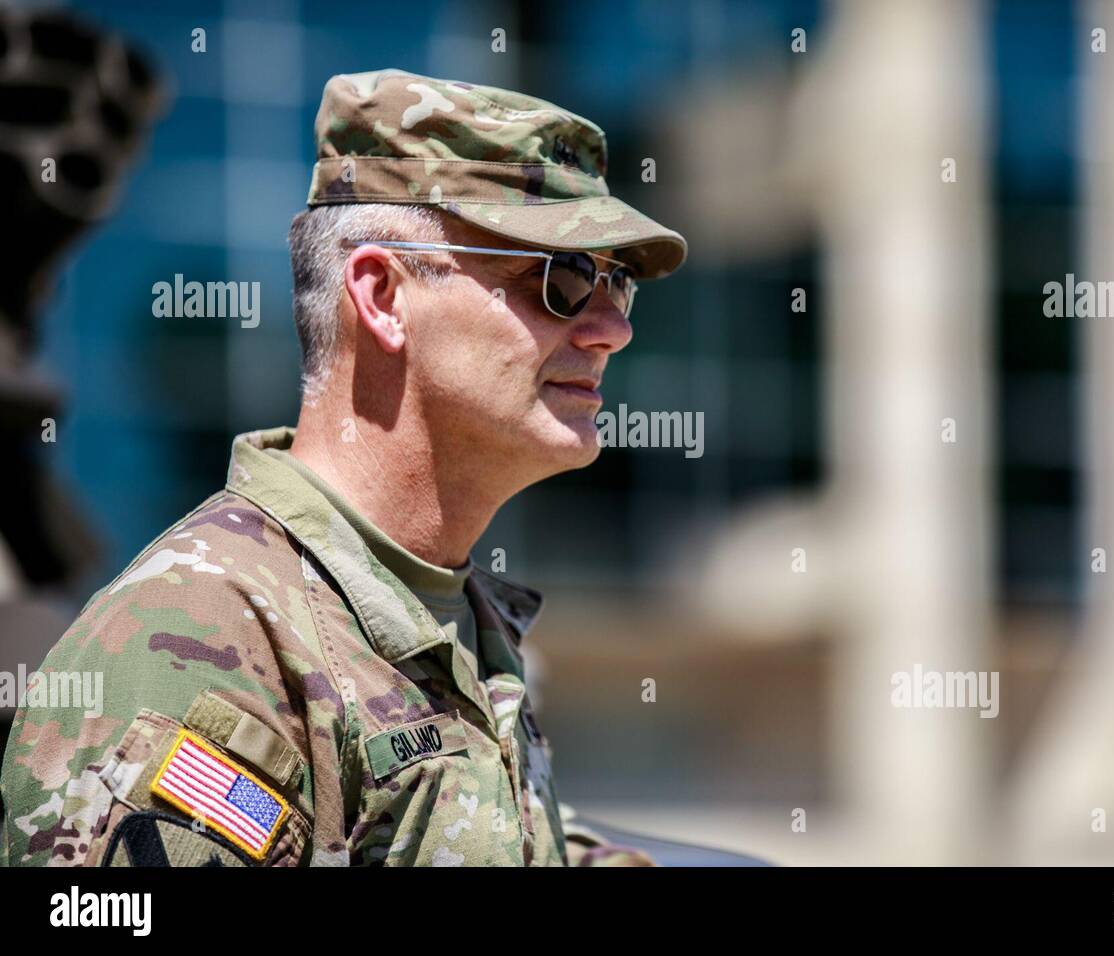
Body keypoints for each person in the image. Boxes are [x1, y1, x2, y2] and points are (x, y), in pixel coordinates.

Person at [0, 69, 686, 867]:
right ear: (384, 295)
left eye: (617, 284)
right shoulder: (191, 643)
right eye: (560, 281)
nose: (611, 329)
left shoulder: (454, 617)